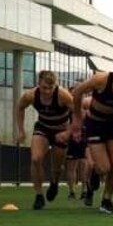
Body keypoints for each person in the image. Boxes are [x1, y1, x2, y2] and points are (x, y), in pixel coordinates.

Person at [71, 54, 113, 214]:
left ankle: (107, 200)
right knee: (104, 168)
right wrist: (78, 117)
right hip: (95, 123)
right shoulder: (101, 80)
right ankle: (94, 176)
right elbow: (78, 92)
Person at [14, 70, 75, 210]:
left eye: (50, 88)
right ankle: (39, 195)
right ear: (38, 84)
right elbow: (20, 108)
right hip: (43, 128)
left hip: (61, 130)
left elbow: (78, 114)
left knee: (57, 166)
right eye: (44, 88)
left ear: (55, 86)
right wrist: (21, 130)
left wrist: (68, 133)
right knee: (36, 159)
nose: (47, 91)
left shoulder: (63, 95)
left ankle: (55, 182)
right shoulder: (30, 95)